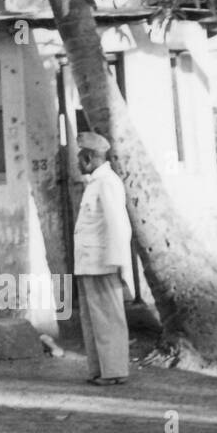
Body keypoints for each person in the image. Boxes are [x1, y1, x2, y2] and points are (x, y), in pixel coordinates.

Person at [74, 131, 133, 386]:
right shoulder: (95, 183)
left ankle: (115, 371)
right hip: (89, 263)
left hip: (103, 263)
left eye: (80, 157)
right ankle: (100, 370)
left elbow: (118, 226)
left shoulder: (108, 183)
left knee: (109, 319)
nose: (77, 162)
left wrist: (119, 266)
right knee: (94, 321)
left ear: (88, 157)